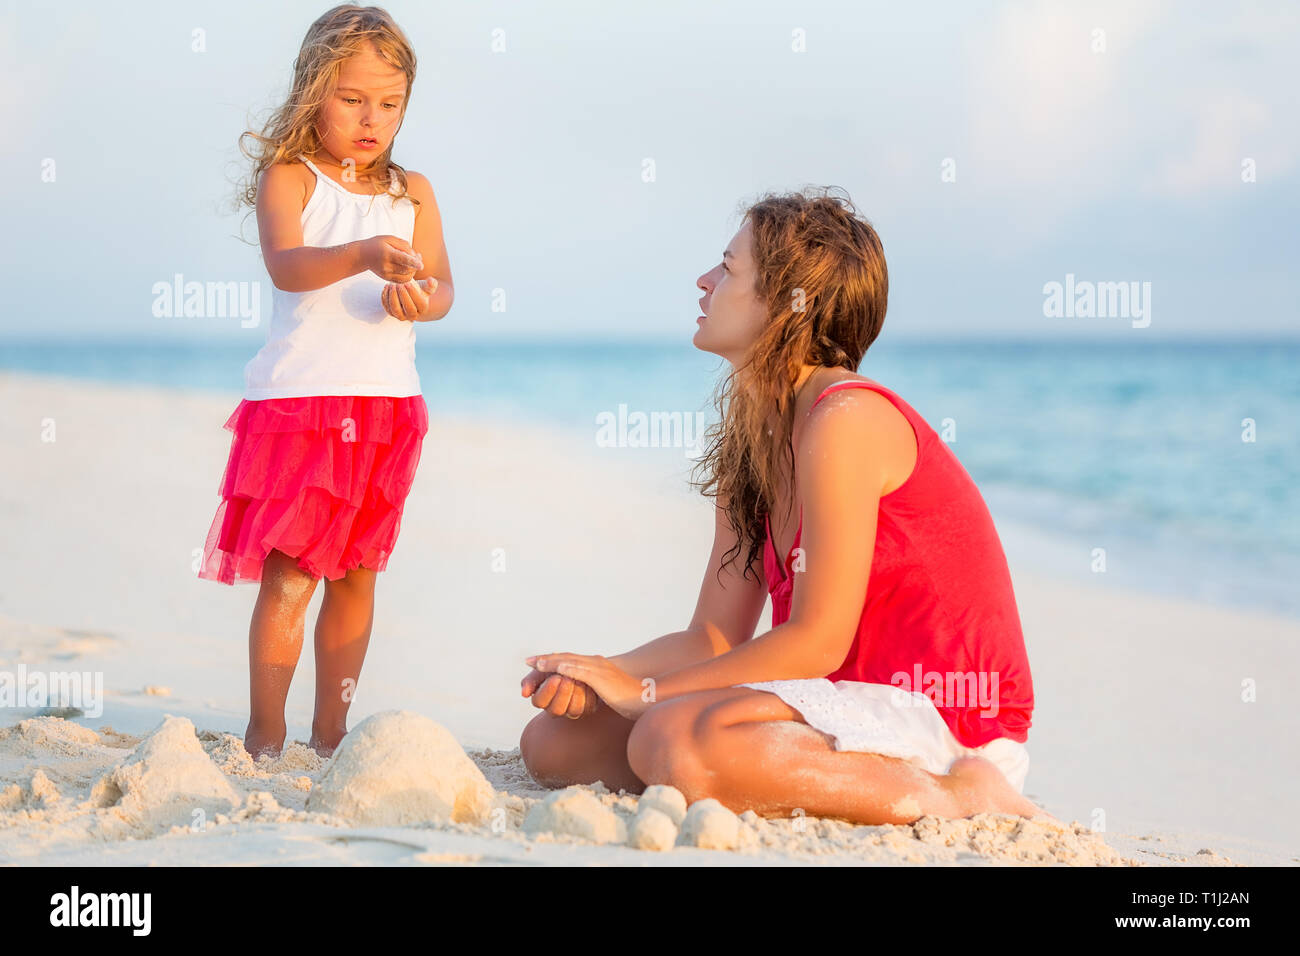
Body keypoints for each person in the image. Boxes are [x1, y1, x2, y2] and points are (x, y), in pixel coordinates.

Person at [520, 189, 1049, 824]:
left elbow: (819, 640)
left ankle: (961, 797)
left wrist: (648, 695)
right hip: (833, 703)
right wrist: (606, 673)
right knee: (556, 746)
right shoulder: (756, 440)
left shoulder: (846, 420)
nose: (704, 280)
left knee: (672, 739)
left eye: (727, 267)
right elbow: (712, 636)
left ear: (786, 306)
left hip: (941, 720)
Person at [197, 5, 453, 761]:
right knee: (291, 573)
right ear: (314, 91)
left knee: (358, 575)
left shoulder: (415, 191)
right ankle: (265, 732)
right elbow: (288, 264)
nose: (372, 119)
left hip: (387, 409)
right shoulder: (291, 176)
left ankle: (331, 732)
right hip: (301, 406)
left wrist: (420, 299)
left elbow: (441, 288)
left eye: (389, 103)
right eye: (352, 99)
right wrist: (366, 254)